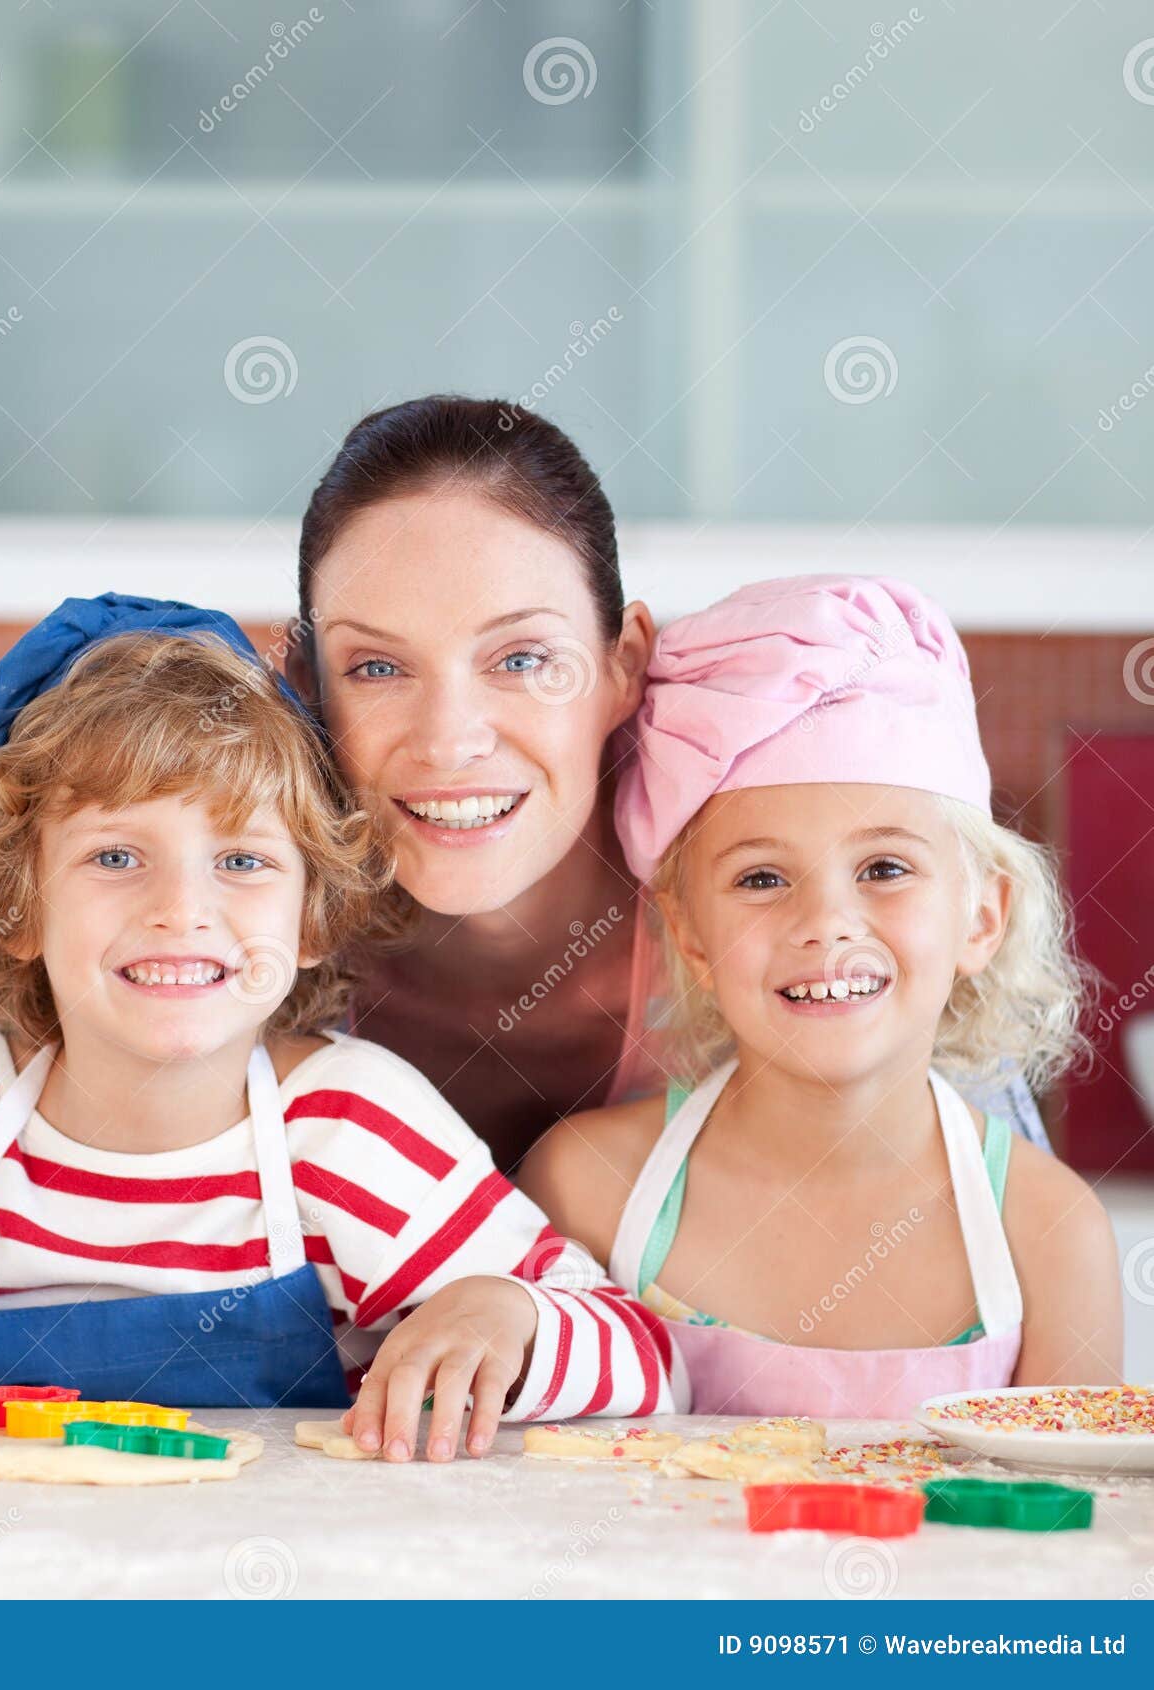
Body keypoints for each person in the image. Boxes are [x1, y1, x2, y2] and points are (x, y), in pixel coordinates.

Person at [0, 596, 685, 1462]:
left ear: (312, 913)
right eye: (116, 857)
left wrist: (506, 1315)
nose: (181, 909)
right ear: (17, 906)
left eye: (241, 860)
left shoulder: (341, 1133)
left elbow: (644, 1357)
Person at [290, 395, 1051, 1172]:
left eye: (522, 660)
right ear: (310, 687)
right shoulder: (245, 934)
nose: (448, 741)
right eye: (376, 667)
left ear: (622, 666)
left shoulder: (785, 918)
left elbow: (989, 1237)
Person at [520, 575, 1121, 1414]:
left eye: (884, 868)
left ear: (980, 917)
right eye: (761, 878)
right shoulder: (588, 1187)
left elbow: (1061, 1528)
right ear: (689, 936)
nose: (826, 923)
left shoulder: (1049, 1234)